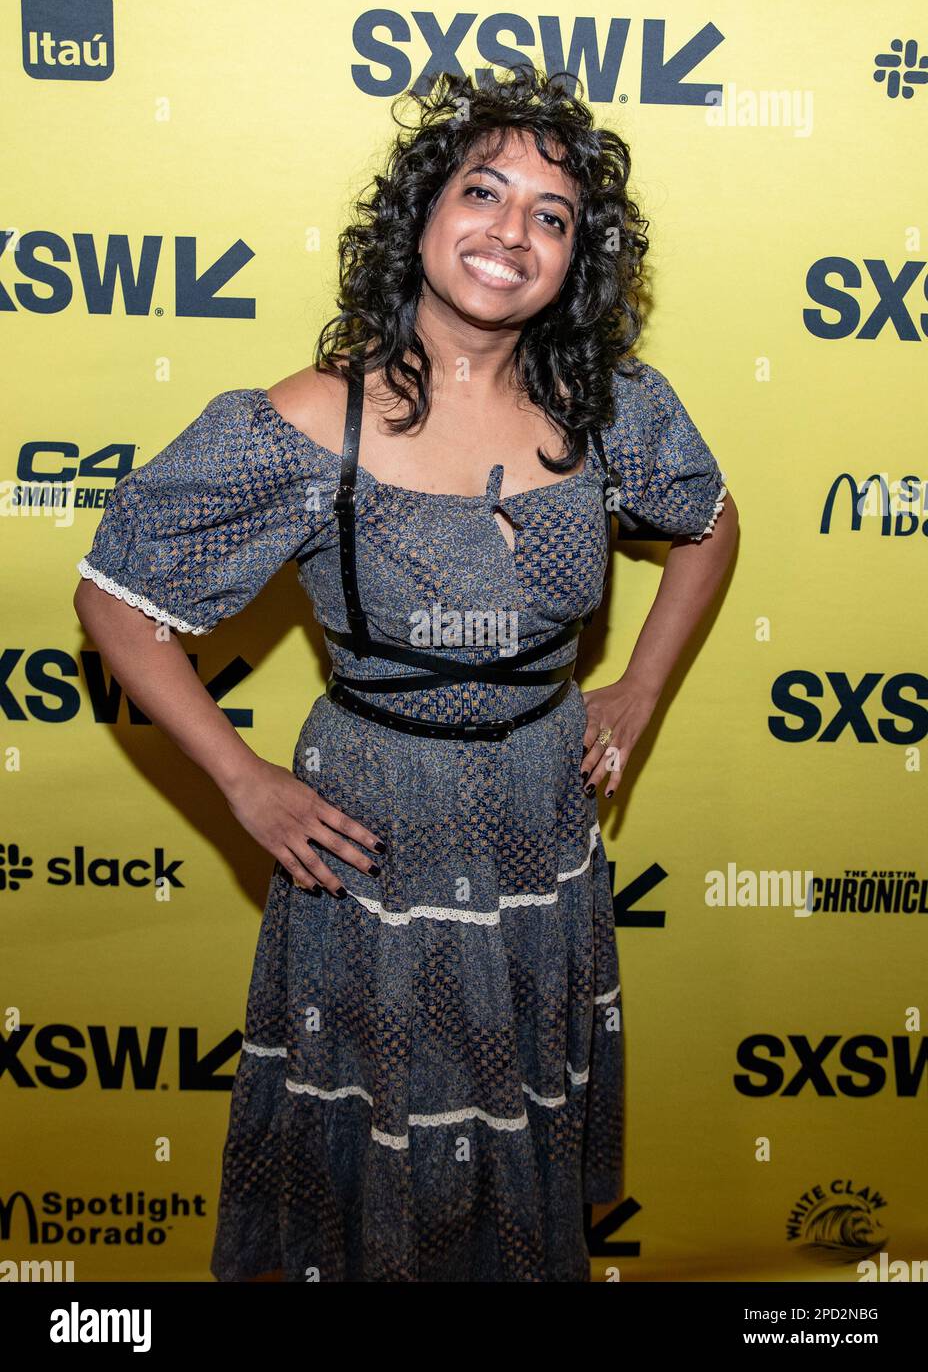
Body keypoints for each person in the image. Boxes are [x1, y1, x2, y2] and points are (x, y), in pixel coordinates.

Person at [72, 66, 738, 1282]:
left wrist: (637, 687)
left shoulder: (610, 409)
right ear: (423, 212)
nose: (510, 232)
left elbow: (707, 522)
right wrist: (237, 779)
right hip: (376, 820)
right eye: (484, 190)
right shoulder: (307, 419)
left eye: (551, 215)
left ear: (575, 259)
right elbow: (115, 601)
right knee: (385, 1116)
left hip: (542, 807)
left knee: (516, 1108)